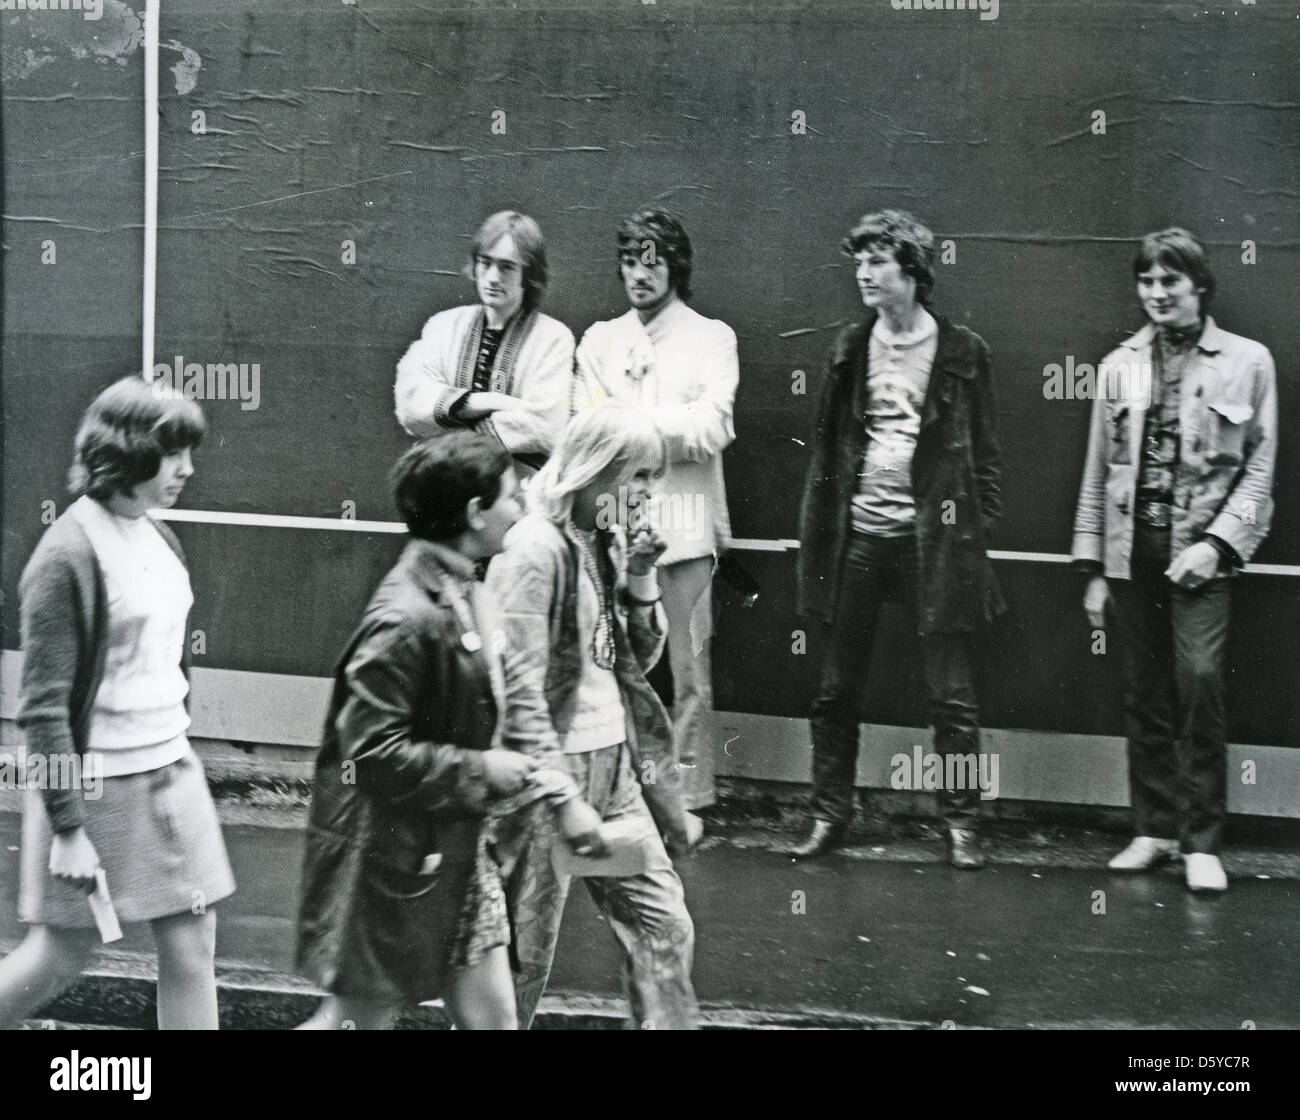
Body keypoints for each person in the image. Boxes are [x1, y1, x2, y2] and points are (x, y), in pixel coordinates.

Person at [295, 432, 598, 1030]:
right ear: (474, 513)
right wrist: (483, 770)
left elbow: (521, 700)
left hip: (456, 853)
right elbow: (372, 754)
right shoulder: (403, 618)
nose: (522, 506)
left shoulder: (470, 587)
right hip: (391, 858)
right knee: (355, 1024)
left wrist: (562, 799)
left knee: (493, 1024)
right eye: (511, 496)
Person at [0, 377, 234, 1030]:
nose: (188, 468)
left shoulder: (158, 537)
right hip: (96, 785)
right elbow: (42, 711)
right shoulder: (66, 556)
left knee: (194, 939)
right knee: (61, 953)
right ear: (127, 455)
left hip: (171, 773)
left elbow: (170, 663)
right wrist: (68, 828)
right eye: (173, 453)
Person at [790, 209, 1004, 868]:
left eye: (876, 262)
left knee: (951, 696)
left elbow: (987, 458)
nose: (863, 274)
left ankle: (962, 824)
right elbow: (829, 448)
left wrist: (964, 526)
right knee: (835, 690)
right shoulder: (851, 348)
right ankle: (830, 814)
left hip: (931, 546)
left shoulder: (962, 352)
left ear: (911, 270)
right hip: (860, 538)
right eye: (858, 263)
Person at [1072, 228, 1277, 894]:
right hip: (1135, 557)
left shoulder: (1247, 362)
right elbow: (1097, 471)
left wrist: (1216, 546)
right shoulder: (1118, 365)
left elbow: (1259, 471)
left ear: (1200, 288)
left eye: (1170, 282)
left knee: (1200, 684)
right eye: (1147, 282)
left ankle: (1202, 842)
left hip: (1204, 562)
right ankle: (1153, 831)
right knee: (1144, 695)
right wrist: (1094, 566)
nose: (1156, 294)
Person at [487, 408, 702, 1030]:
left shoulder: (602, 541)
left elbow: (630, 661)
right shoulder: (534, 548)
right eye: (639, 478)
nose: (647, 495)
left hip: (616, 771)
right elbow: (516, 690)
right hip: (551, 778)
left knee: (663, 929)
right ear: (593, 470)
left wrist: (640, 578)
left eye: (653, 480)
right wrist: (555, 792)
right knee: (524, 958)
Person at [571, 206, 739, 811]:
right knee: (614, 663)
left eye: (652, 261)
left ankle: (689, 800)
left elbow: (712, 428)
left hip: (687, 532)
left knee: (689, 674)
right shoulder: (599, 340)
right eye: (628, 261)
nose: (639, 274)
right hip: (612, 532)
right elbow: (586, 428)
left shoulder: (712, 338)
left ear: (675, 267)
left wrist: (632, 425)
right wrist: (658, 425)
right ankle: (623, 793)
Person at [394, 210, 573, 473]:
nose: (492, 277)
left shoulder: (552, 338)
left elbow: (545, 426)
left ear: (529, 273)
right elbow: (410, 405)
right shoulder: (443, 326)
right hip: (444, 479)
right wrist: (485, 401)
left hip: (519, 487)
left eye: (507, 267)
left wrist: (449, 430)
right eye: (485, 262)